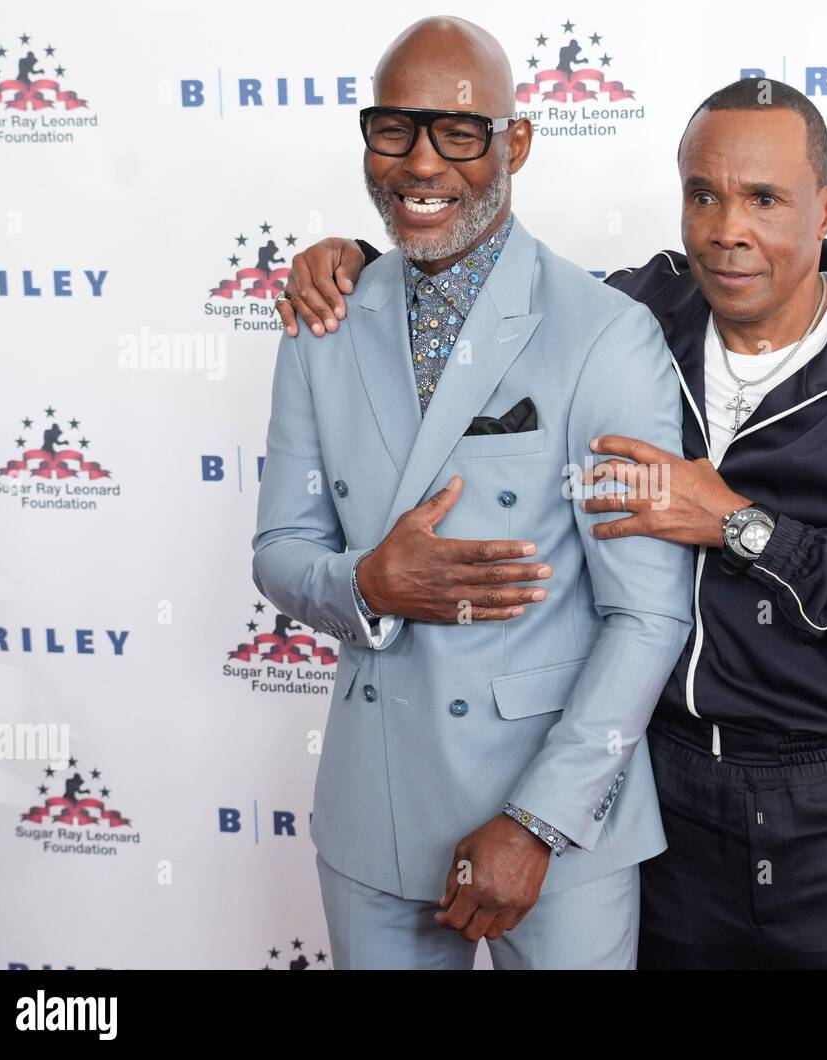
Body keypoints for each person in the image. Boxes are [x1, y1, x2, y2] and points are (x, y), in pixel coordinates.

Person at [278, 77, 827, 970]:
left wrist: (738, 524)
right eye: (703, 195)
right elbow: (496, 291)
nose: (726, 229)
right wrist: (358, 257)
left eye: (765, 199)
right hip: (666, 797)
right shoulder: (639, 314)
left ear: (826, 209)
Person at [252, 16, 693, 970]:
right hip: (374, 815)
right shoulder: (321, 322)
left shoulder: (604, 335)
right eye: (392, 128)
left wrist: (537, 824)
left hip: (561, 827)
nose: (420, 163)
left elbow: (647, 613)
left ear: (515, 143)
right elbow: (281, 548)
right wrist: (367, 585)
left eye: (457, 132)